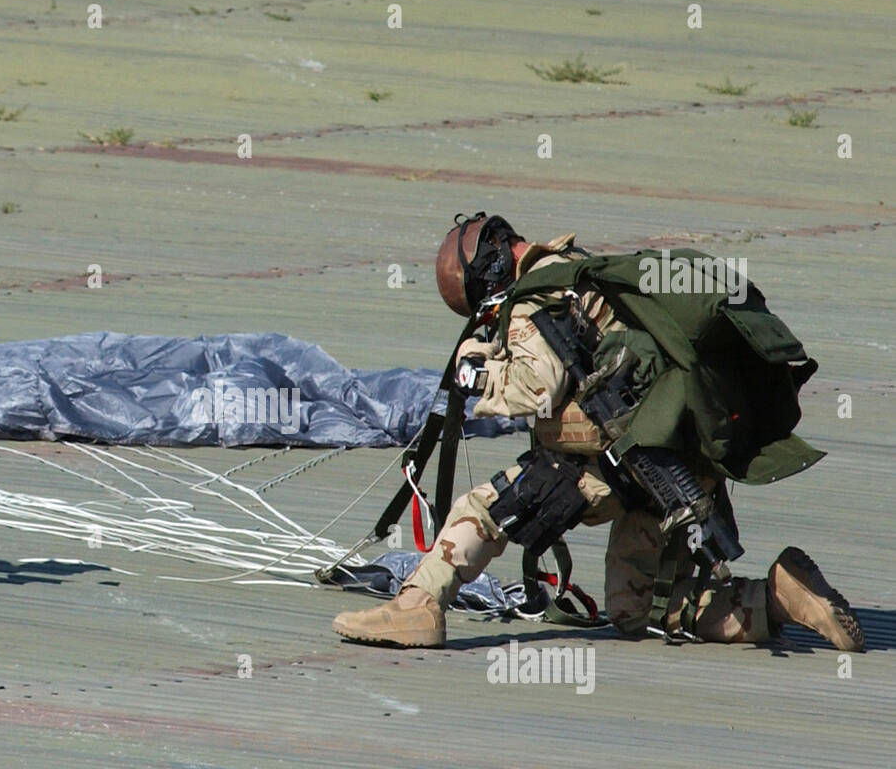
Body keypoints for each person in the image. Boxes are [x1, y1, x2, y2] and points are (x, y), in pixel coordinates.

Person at [332, 213, 864, 652]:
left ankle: (417, 608)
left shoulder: (531, 300)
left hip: (608, 461)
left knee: (482, 510)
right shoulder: (580, 272)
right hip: (672, 459)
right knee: (636, 609)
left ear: (488, 279)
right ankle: (779, 596)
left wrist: (478, 373)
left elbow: (538, 386)